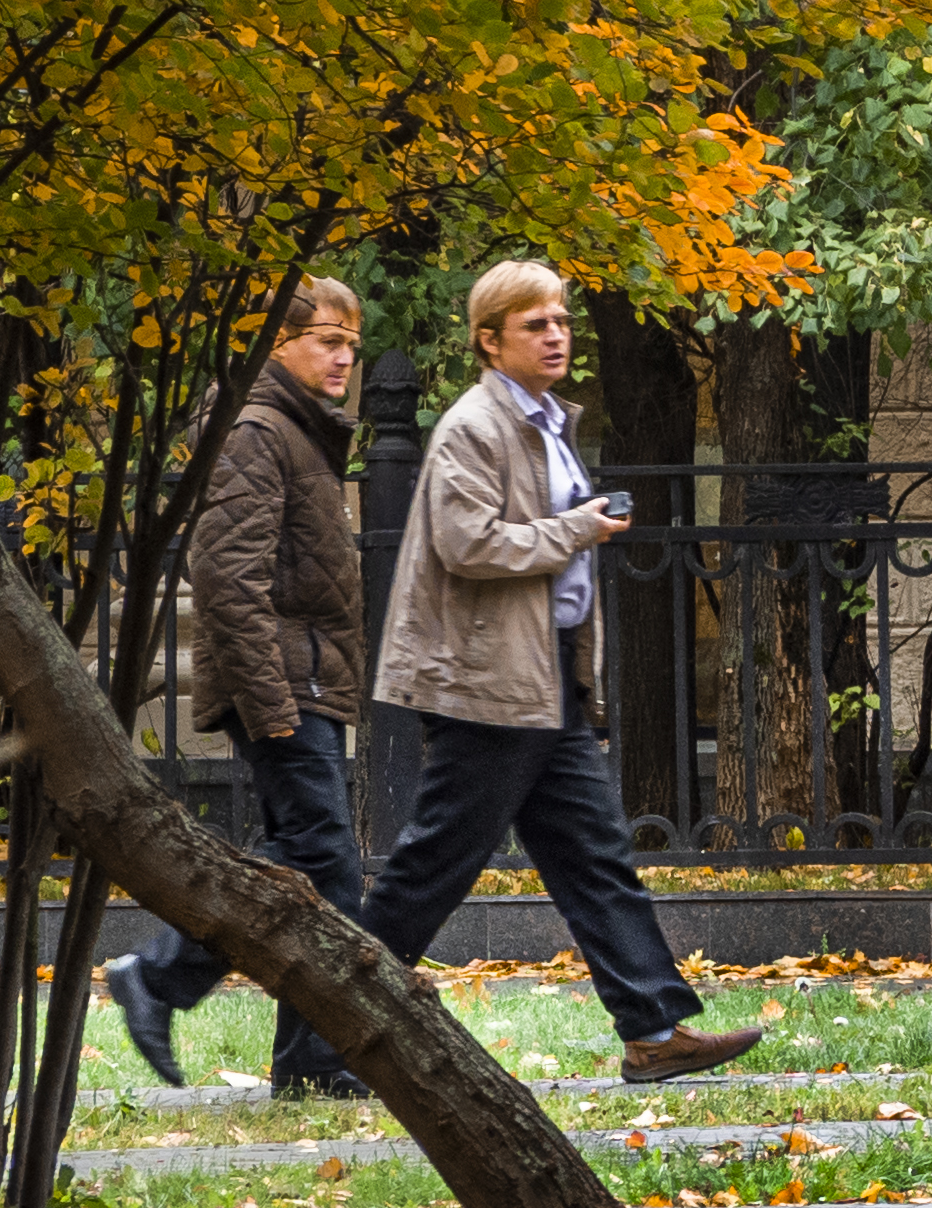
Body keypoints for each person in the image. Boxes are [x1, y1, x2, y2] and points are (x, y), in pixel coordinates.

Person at [290, 260, 763, 1089]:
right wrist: (576, 527)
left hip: (546, 679)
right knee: (431, 868)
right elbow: (470, 542)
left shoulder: (545, 420)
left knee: (595, 856)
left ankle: (653, 1029)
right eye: (535, 324)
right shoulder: (472, 425)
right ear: (490, 339)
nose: (555, 335)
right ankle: (328, 1045)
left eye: (561, 321)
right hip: (489, 683)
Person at [106, 277, 377, 1095]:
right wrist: (275, 707)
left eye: (352, 346)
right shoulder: (258, 431)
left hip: (301, 680)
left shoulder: (296, 431)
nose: (345, 358)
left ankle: (306, 1059)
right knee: (323, 861)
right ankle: (159, 978)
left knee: (312, 869)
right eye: (330, 340)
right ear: (277, 344)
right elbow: (227, 580)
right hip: (284, 688)